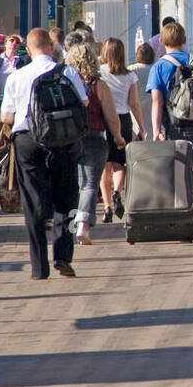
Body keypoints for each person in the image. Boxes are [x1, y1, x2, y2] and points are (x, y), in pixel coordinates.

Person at [0, 28, 88, 279]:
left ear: (28, 50)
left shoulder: (17, 76)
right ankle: (63, 255)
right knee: (67, 198)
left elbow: (6, 117)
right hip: (63, 141)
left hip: (28, 142)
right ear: (51, 47)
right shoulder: (68, 71)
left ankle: (39, 268)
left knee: (34, 203)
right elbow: (83, 103)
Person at [66, 42, 124, 245]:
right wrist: (118, 136)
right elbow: (112, 117)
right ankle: (83, 225)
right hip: (94, 137)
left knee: (73, 185)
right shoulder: (99, 85)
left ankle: (71, 224)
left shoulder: (65, 83)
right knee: (90, 184)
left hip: (68, 139)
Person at [148, 22, 193, 159]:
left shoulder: (158, 67)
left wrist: (157, 131)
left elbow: (157, 102)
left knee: (172, 171)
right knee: (191, 170)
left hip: (171, 126)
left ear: (161, 40)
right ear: (184, 40)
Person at [98, 37, 144, 223]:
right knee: (119, 164)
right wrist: (141, 126)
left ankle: (107, 207)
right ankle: (117, 192)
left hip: (104, 120)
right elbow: (134, 103)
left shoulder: (99, 74)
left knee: (104, 166)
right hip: (123, 120)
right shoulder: (130, 76)